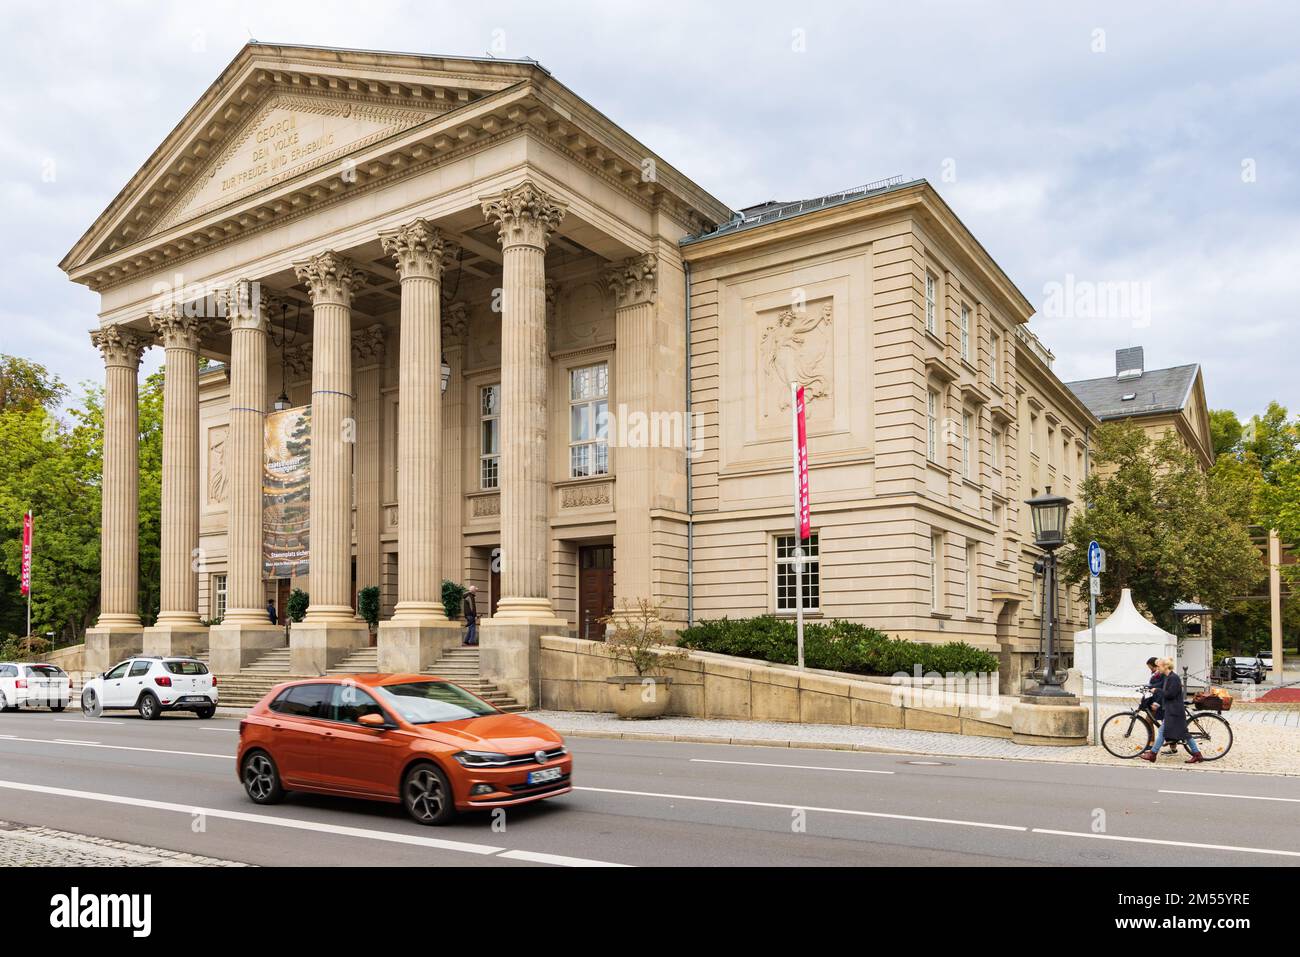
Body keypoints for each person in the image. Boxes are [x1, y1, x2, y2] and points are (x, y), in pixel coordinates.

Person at [1140, 658, 1202, 764]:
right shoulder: (1169, 677)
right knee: (1184, 734)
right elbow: (1164, 689)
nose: (1157, 668)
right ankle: (1197, 755)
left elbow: (1170, 694)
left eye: (1159, 666)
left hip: (1175, 711)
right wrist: (1151, 688)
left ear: (1165, 666)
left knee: (1163, 732)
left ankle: (1152, 754)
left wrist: (1157, 690)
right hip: (1172, 709)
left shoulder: (1174, 678)